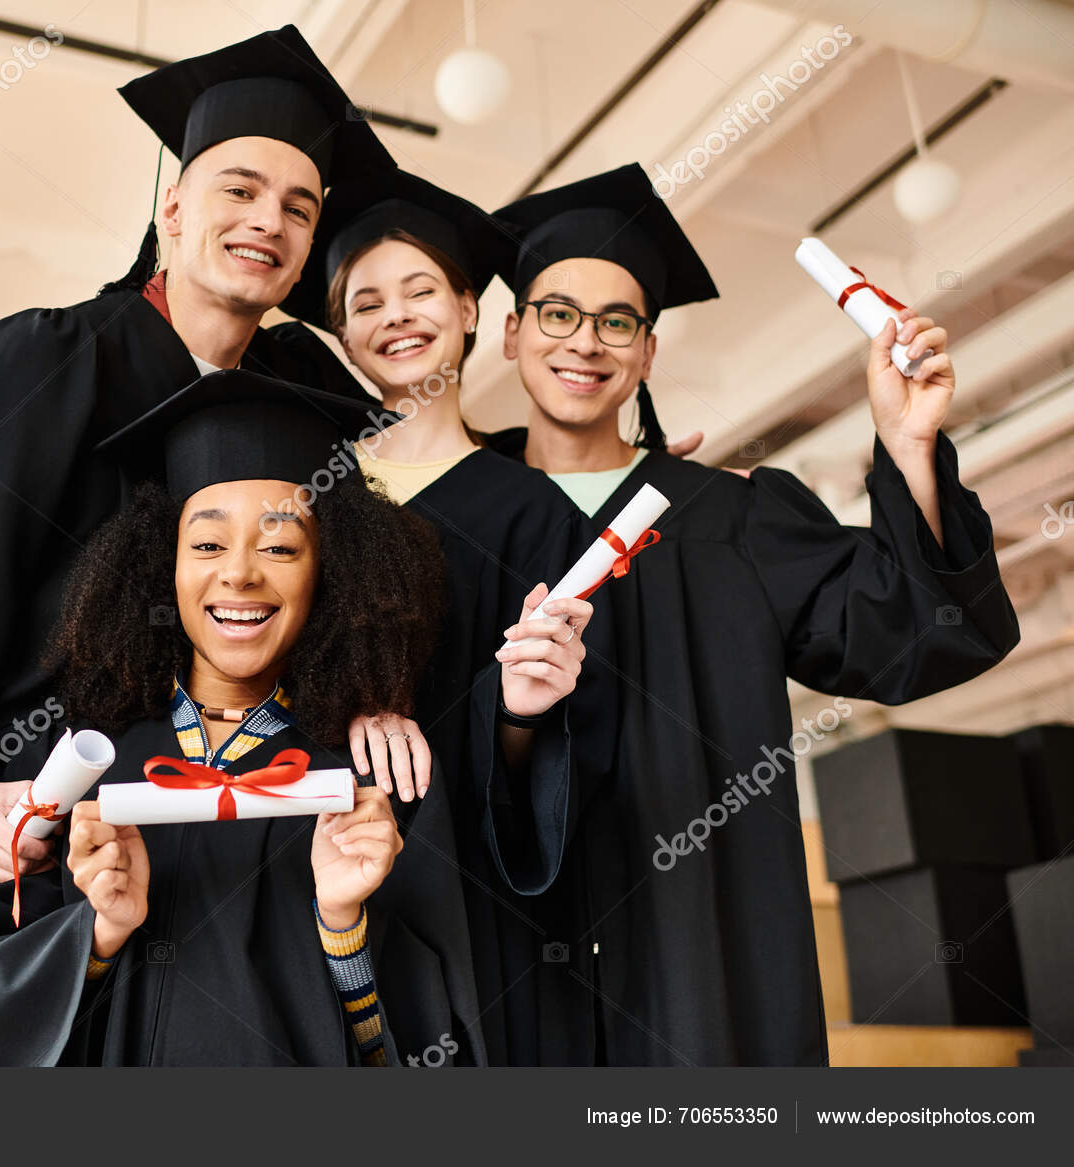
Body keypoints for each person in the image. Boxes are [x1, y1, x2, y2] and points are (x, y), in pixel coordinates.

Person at [0, 26, 423, 1067]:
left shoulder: (301, 398)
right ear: (171, 207)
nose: (267, 219)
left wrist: (372, 692)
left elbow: (343, 591)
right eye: (238, 189)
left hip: (207, 836)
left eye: (298, 207)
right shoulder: (45, 359)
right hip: (16, 827)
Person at [487, 162, 1021, 1065]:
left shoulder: (729, 517)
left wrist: (906, 442)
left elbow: (906, 631)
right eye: (558, 313)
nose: (587, 341)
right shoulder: (456, 522)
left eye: (619, 320)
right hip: (514, 957)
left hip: (707, 959)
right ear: (511, 332)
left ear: (649, 351)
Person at [0, 369, 486, 1066]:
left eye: (279, 547)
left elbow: (432, 1062)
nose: (239, 574)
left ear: (331, 571)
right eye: (207, 545)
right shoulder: (78, 768)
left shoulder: (372, 785)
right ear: (162, 568)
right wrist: (96, 937)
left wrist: (344, 926)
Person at [281, 167, 607, 1063]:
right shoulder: (307, 494)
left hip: (473, 872)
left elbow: (553, 754)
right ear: (342, 337)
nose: (398, 315)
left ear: (470, 311)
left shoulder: (534, 512)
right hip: (313, 839)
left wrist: (520, 711)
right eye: (367, 302)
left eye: (422, 290)